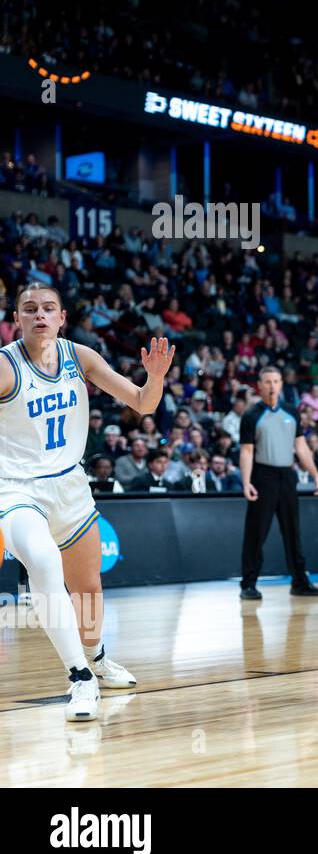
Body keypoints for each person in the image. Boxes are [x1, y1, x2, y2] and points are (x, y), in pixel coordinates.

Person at [0, 283, 173, 721]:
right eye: (29, 309)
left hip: (70, 487)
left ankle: (96, 657)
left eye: (49, 308)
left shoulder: (81, 357)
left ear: (62, 319)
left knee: (88, 590)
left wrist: (154, 377)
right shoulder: (5, 367)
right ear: (16, 319)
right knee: (41, 563)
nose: (40, 314)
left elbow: (141, 404)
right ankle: (80, 677)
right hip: (18, 489)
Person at [238, 366, 318, 600]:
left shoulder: (291, 412)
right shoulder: (251, 415)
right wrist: (246, 482)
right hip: (262, 476)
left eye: (276, 381)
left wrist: (316, 475)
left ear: (281, 384)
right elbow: (246, 451)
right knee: (256, 532)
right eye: (267, 382)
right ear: (260, 385)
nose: (272, 386)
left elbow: (301, 447)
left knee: (292, 532)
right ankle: (249, 584)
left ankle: (299, 581)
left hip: (287, 476)